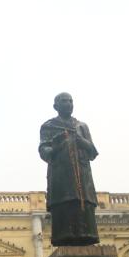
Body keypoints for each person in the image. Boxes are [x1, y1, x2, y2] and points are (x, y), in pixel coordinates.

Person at [39, 92, 100, 246]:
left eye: (70, 101)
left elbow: (93, 151)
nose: (68, 104)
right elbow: (43, 150)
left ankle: (86, 235)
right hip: (61, 174)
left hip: (82, 174)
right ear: (56, 106)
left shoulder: (81, 126)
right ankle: (65, 236)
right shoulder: (49, 126)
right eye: (64, 101)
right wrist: (57, 145)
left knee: (83, 203)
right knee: (64, 203)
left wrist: (81, 141)